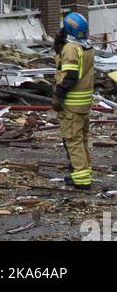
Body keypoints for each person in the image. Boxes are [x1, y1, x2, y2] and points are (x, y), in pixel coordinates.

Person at [52, 11, 95, 192]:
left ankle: (81, 178)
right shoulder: (87, 47)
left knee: (73, 139)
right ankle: (83, 173)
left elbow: (69, 76)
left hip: (72, 103)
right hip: (84, 102)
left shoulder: (71, 48)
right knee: (82, 139)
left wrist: (58, 95)